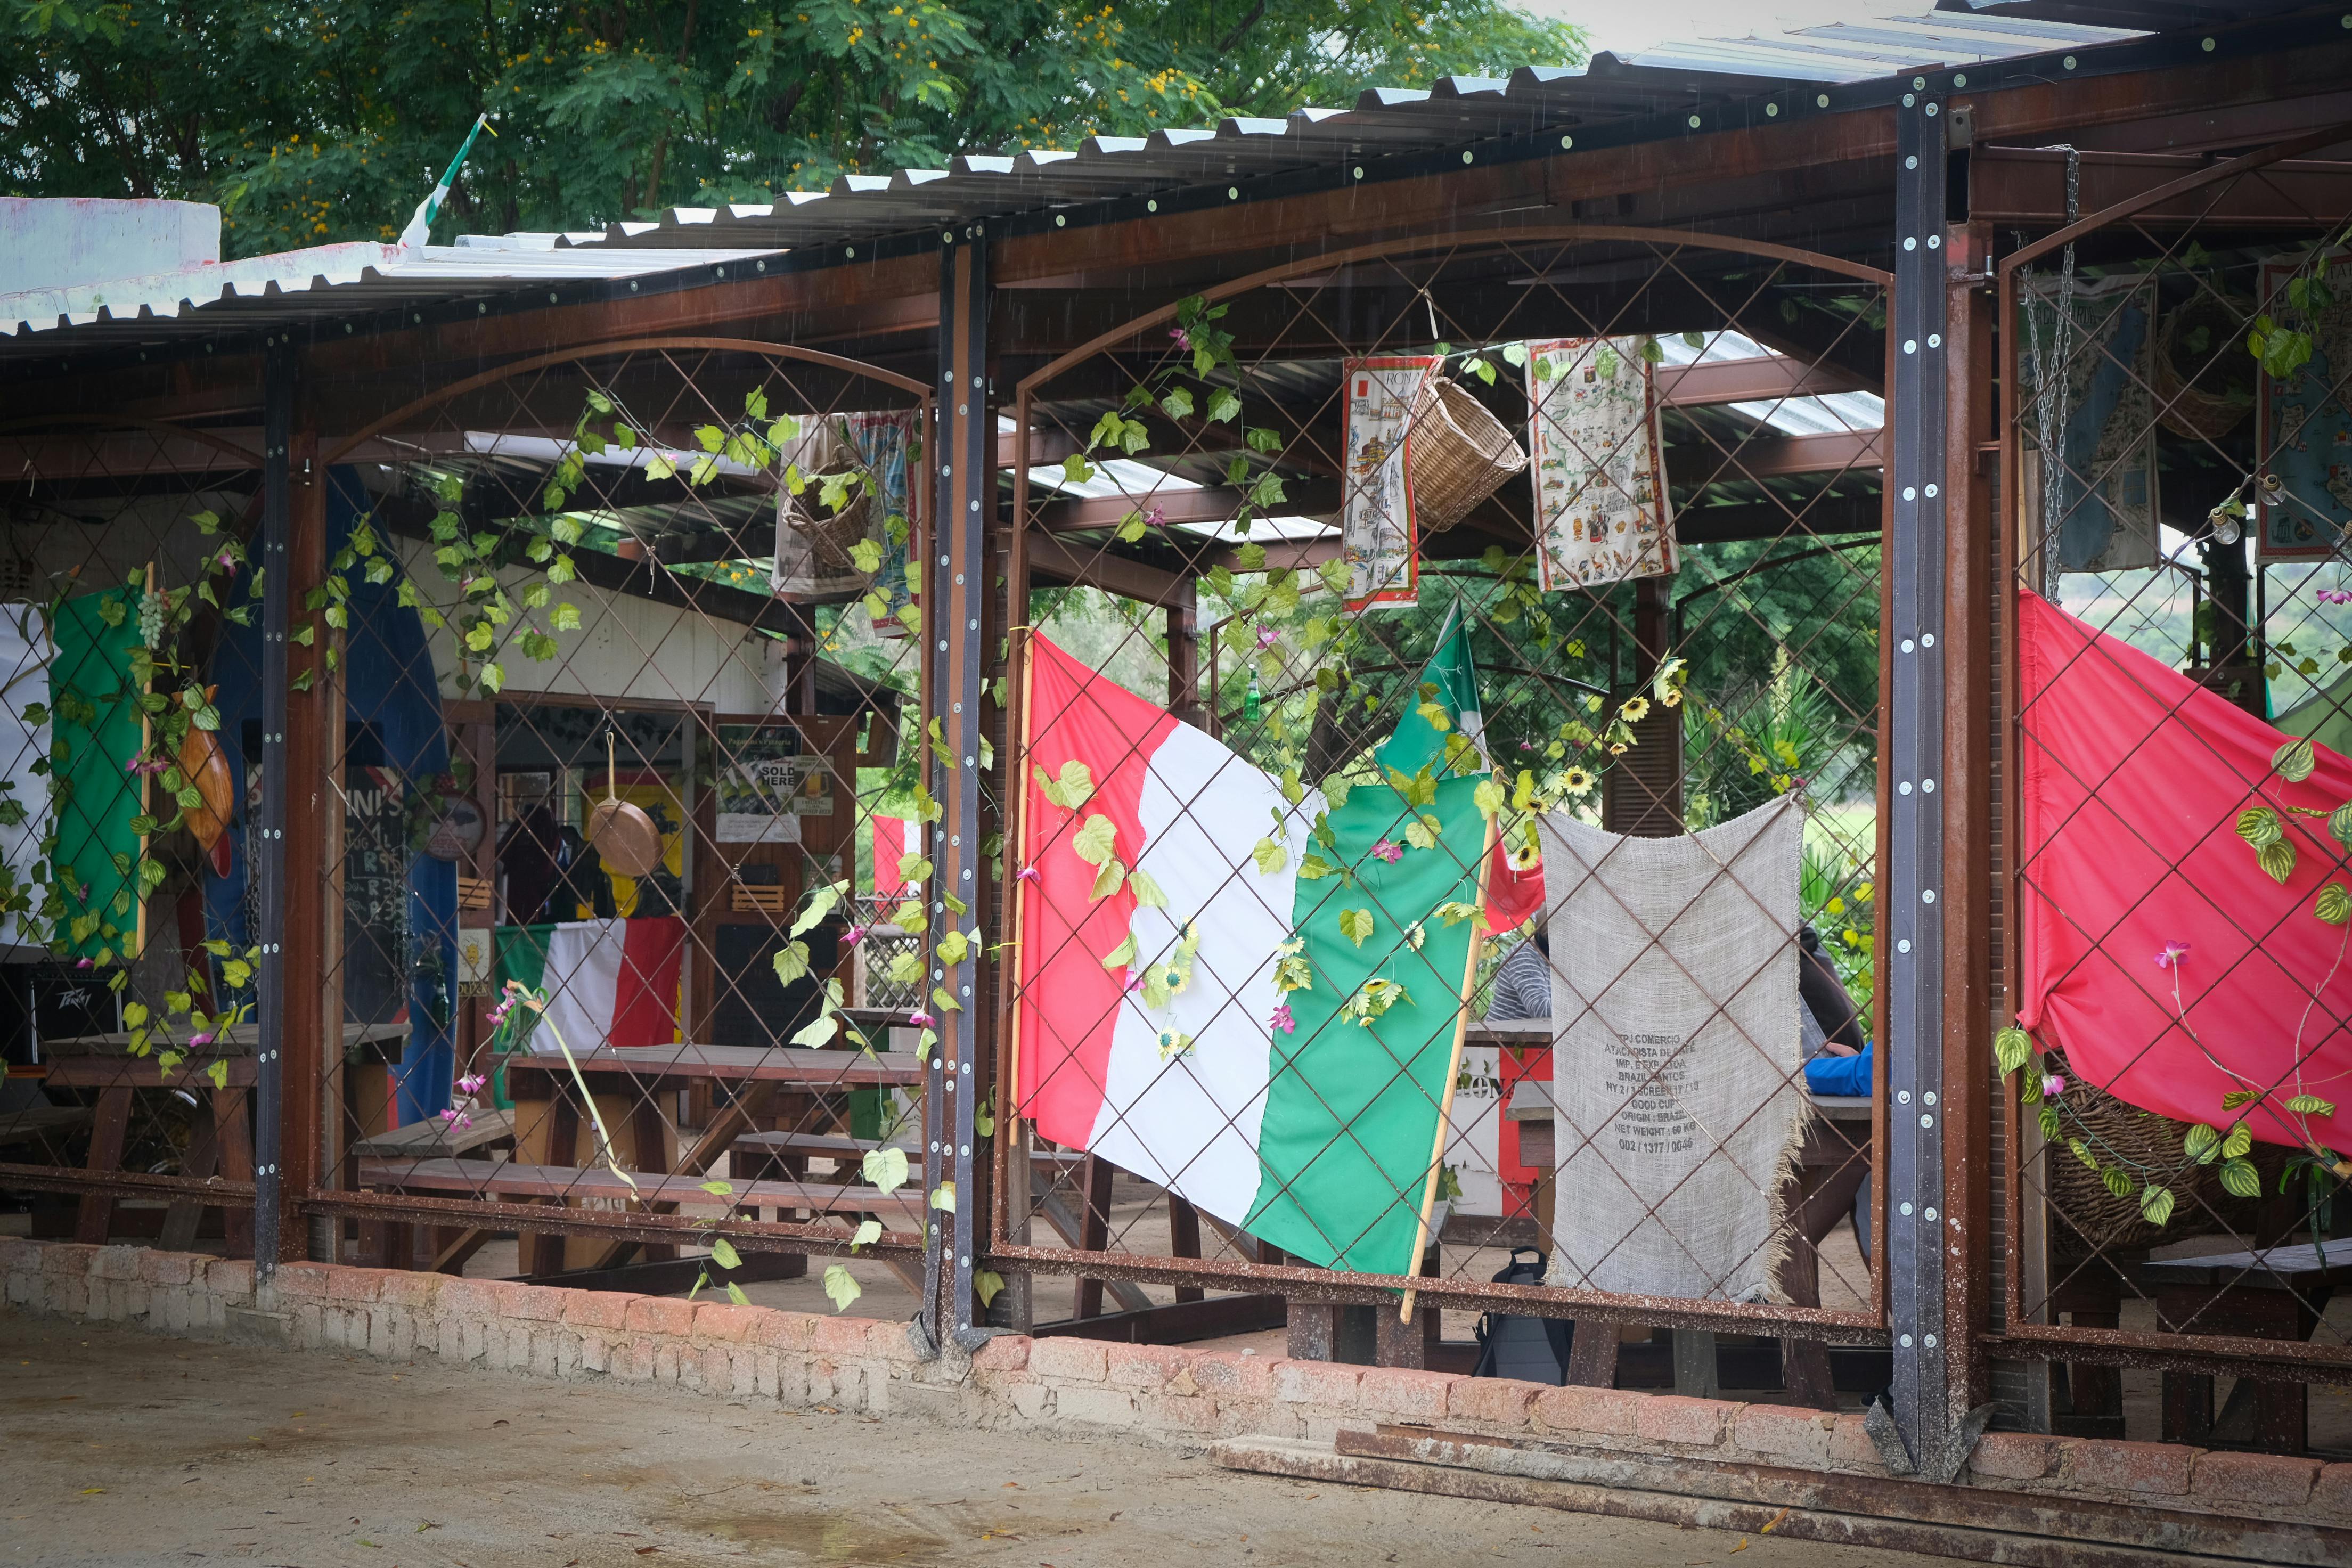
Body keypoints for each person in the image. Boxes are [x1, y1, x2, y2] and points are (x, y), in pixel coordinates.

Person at [1484, 923, 1551, 1022]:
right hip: (1505, 1034)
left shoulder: (1550, 955)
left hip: (1530, 1033)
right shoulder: (1524, 955)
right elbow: (1540, 1009)